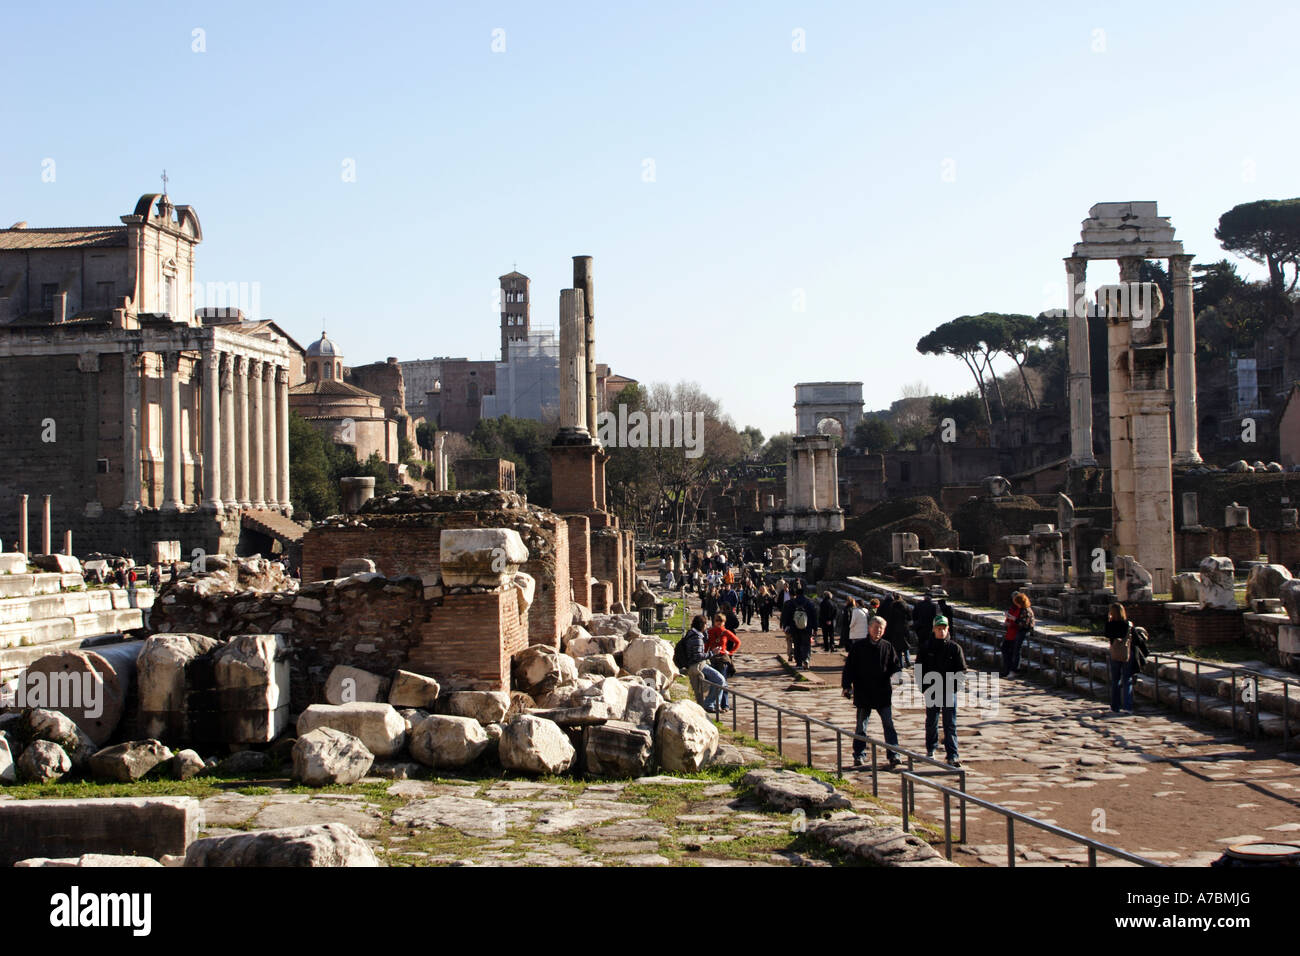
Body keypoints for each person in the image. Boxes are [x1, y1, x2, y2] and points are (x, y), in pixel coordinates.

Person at [841, 615, 901, 769]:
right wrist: (846, 686)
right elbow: (849, 668)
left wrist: (897, 676)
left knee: (888, 724)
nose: (878, 631)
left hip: (882, 692)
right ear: (869, 628)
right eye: (875, 628)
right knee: (861, 726)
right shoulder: (859, 647)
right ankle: (859, 755)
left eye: (881, 629)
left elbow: (895, 665)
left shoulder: (887, 646)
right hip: (864, 691)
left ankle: (894, 754)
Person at [918, 614, 965, 766]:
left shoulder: (954, 648)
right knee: (932, 721)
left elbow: (961, 669)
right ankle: (931, 749)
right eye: (939, 628)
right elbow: (919, 668)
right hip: (932, 689)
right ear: (933, 629)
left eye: (944, 628)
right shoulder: (926, 647)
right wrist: (923, 687)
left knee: (949, 723)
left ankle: (952, 754)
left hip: (949, 690)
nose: (941, 631)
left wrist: (955, 687)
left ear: (948, 629)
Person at [679, 615, 726, 713]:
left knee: (715, 682)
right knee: (720, 680)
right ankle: (709, 704)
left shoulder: (692, 634)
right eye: (705, 624)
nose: (707, 626)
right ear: (702, 625)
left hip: (695, 664)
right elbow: (698, 656)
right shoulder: (696, 638)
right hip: (697, 665)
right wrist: (713, 653)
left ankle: (711, 704)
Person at [1105, 603, 1145, 713]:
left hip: (1115, 653)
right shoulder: (1128, 624)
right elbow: (1137, 641)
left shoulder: (1109, 624)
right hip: (1127, 653)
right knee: (1127, 680)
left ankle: (1115, 706)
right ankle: (1127, 706)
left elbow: (1107, 635)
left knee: (1115, 680)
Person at [705, 613, 741, 710]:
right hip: (714, 658)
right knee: (719, 681)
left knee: (721, 681)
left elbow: (737, 642)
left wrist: (730, 652)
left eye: (721, 621)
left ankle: (724, 704)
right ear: (714, 621)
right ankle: (720, 704)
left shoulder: (723, 632)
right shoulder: (711, 632)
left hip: (722, 659)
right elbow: (706, 646)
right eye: (717, 620)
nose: (719, 623)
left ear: (724, 622)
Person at [782, 581, 818, 669]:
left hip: (794, 627)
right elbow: (814, 616)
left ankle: (798, 662)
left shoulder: (791, 603)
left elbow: (787, 615)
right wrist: (815, 628)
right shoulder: (809, 603)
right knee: (806, 644)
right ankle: (806, 659)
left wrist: (785, 626)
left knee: (797, 644)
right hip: (807, 627)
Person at [1001, 591, 1034, 678]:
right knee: (1010, 649)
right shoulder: (1019, 609)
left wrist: (1013, 619)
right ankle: (1008, 669)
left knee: (1016, 650)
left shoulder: (1026, 611)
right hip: (1016, 631)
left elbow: (1024, 624)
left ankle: (1015, 670)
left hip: (1023, 631)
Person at [885, 592, 912, 667]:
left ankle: (901, 663)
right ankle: (908, 660)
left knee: (898, 648)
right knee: (906, 645)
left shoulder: (892, 606)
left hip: (895, 629)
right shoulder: (906, 606)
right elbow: (910, 617)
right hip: (904, 627)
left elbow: (890, 618)